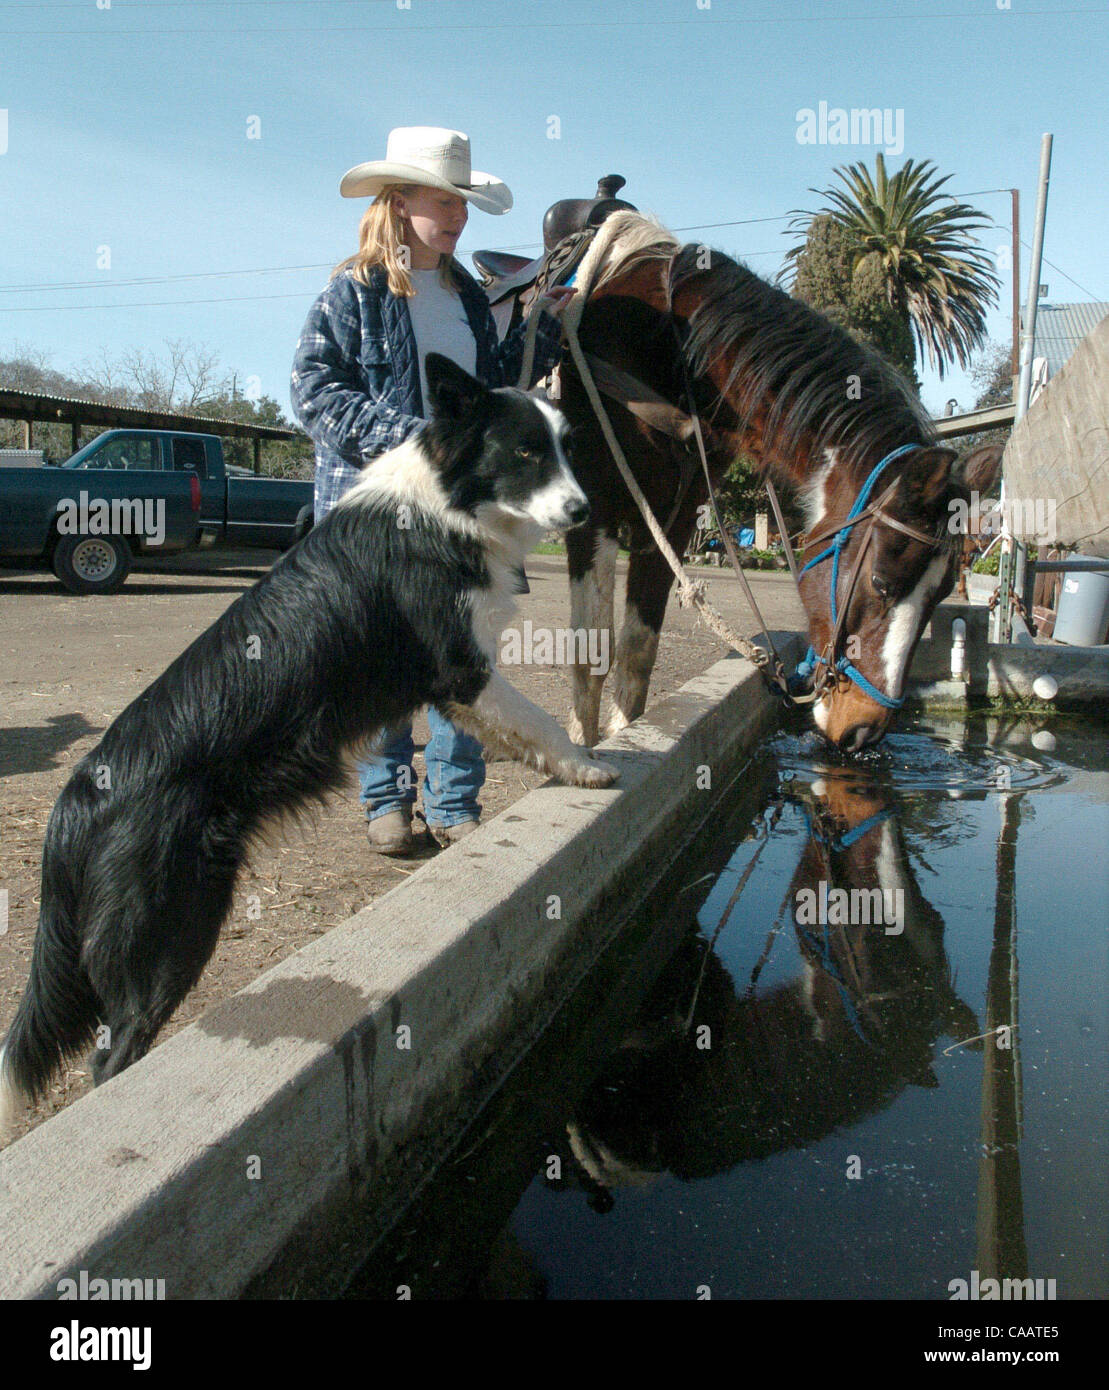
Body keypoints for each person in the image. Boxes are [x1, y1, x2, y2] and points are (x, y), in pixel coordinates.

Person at [291, 127, 572, 855]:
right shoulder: (350, 291)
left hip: (463, 515)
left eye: (463, 203)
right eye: (442, 200)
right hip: (383, 507)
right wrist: (414, 442)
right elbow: (314, 390)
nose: (457, 216)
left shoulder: (469, 298)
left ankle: (453, 804)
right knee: (383, 656)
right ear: (399, 200)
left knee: (465, 649)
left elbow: (492, 387)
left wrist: (542, 329)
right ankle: (386, 800)